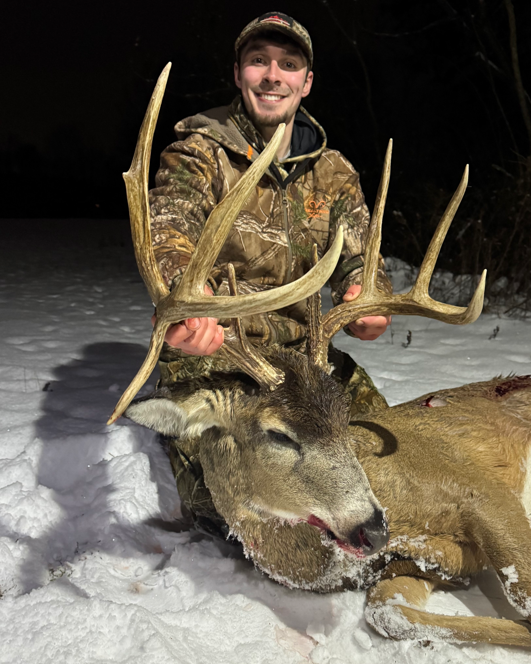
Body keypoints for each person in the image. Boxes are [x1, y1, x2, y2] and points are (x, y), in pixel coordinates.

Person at [141, 12, 385, 530]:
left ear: (306, 81)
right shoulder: (198, 153)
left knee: (391, 456)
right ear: (239, 74)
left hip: (305, 358)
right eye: (259, 61)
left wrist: (369, 294)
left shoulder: (334, 173)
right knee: (227, 507)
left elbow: (361, 252)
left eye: (289, 64)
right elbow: (169, 228)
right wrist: (190, 297)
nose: (273, 75)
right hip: (219, 355)